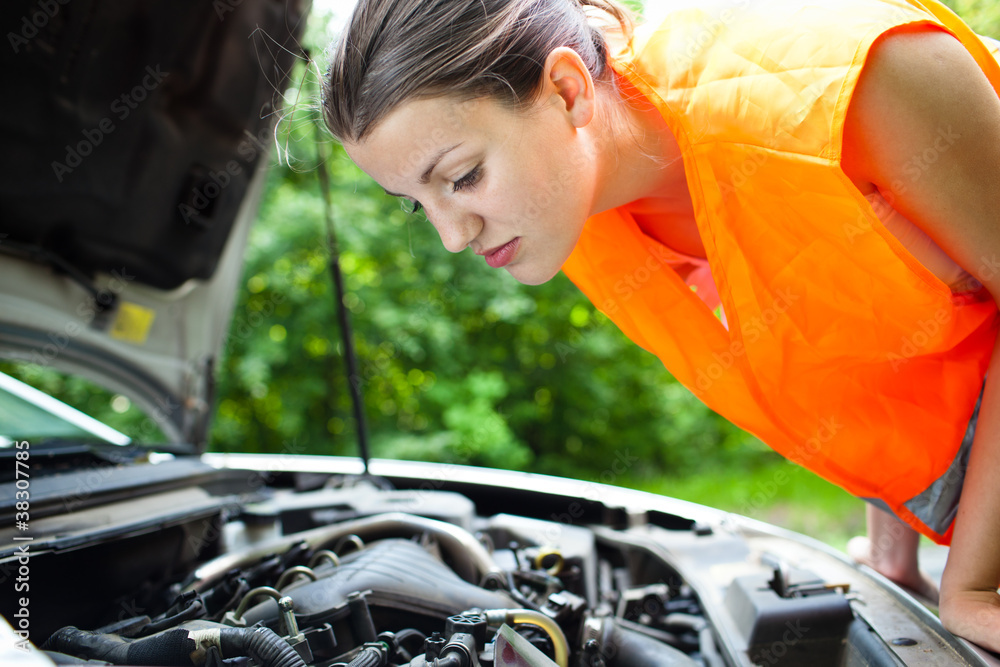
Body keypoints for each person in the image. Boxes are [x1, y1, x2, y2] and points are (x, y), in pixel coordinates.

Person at [322, 0, 1000, 650]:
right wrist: (893, 563)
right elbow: (858, 326)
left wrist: (970, 585)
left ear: (566, 90)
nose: (451, 235)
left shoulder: (852, 77)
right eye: (416, 204)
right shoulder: (576, 208)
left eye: (464, 176)